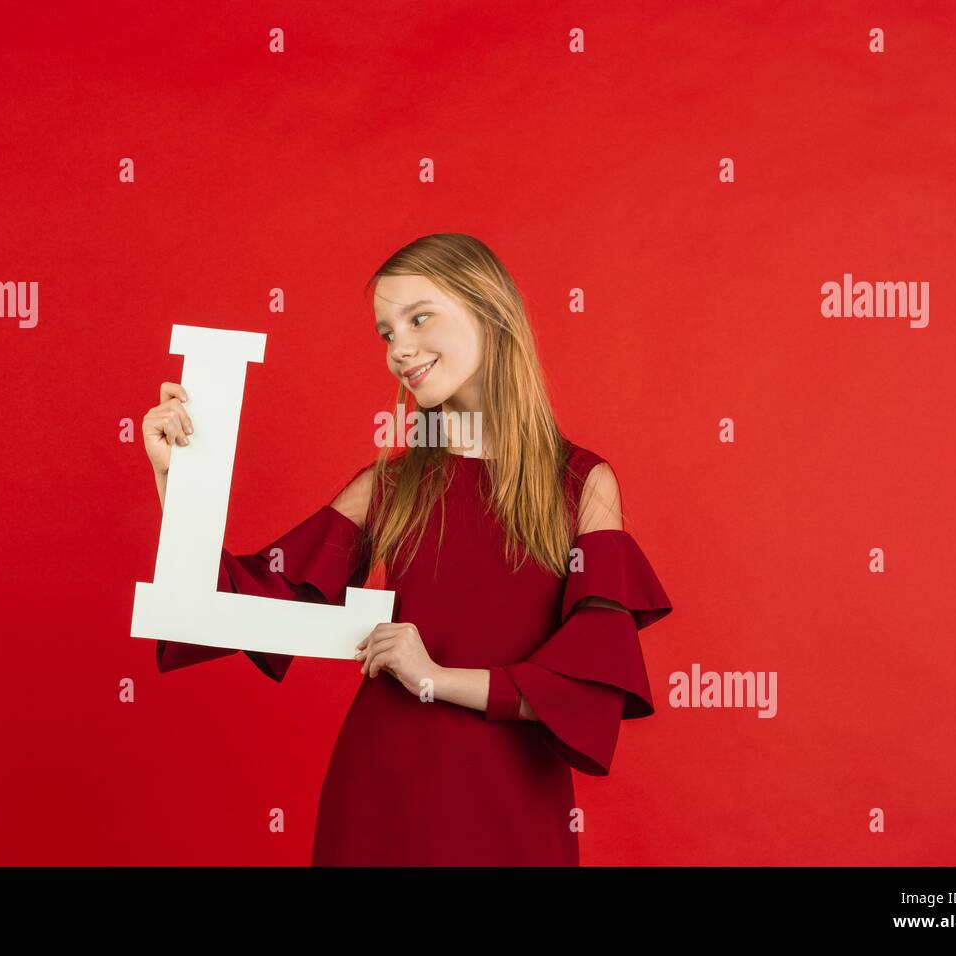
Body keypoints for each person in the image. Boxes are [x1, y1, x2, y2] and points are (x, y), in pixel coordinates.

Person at [141, 233, 673, 865]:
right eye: (386, 333)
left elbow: (589, 687)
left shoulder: (582, 484)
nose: (400, 349)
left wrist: (438, 679)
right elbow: (238, 601)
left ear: (491, 311)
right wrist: (179, 481)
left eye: (419, 318)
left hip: (513, 808)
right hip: (381, 797)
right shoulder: (390, 486)